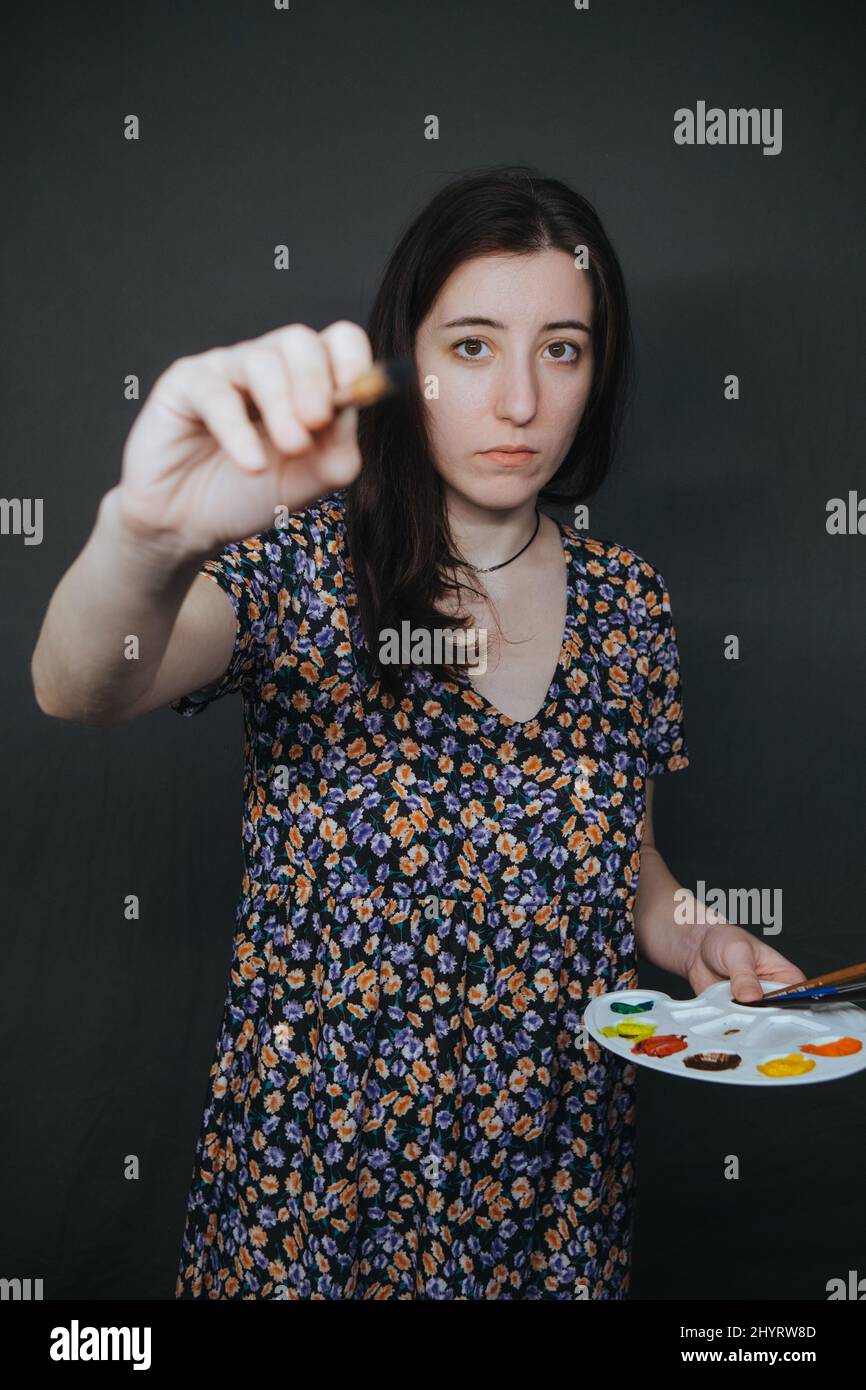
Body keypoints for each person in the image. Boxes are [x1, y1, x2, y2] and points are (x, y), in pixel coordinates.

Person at [31, 164, 805, 1300]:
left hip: (548, 1193)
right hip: (314, 1196)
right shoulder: (303, 565)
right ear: (408, 363)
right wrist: (144, 536)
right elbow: (81, 683)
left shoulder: (630, 600)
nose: (520, 404)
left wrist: (698, 939)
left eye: (562, 349)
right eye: (473, 346)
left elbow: (620, 859)